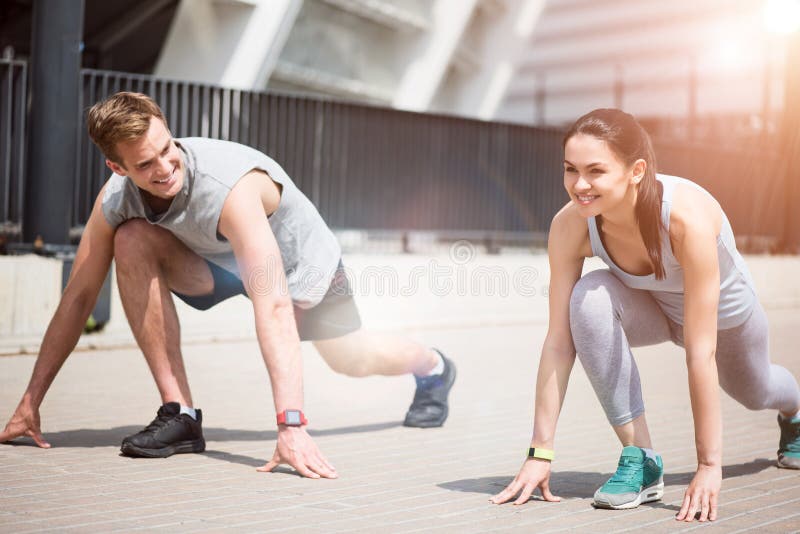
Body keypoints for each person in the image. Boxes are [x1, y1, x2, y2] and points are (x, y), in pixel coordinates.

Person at [0, 92, 456, 478]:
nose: (164, 167)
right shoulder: (116, 199)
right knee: (132, 238)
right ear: (117, 167)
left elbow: (273, 304)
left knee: (351, 360)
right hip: (214, 261)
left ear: (166, 127)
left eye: (166, 147)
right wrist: (30, 401)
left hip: (298, 267)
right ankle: (180, 414)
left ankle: (434, 367)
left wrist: (291, 426)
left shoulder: (228, 187)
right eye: (145, 163)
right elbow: (78, 296)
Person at [489, 108, 800, 521]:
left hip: (724, 322)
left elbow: (700, 352)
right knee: (588, 299)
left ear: (636, 170)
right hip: (652, 309)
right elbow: (560, 343)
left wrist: (709, 466)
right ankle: (641, 458)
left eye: (595, 171)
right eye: (570, 170)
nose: (579, 185)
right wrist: (539, 453)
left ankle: (795, 411)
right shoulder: (570, 226)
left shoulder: (685, 217)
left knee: (757, 391)